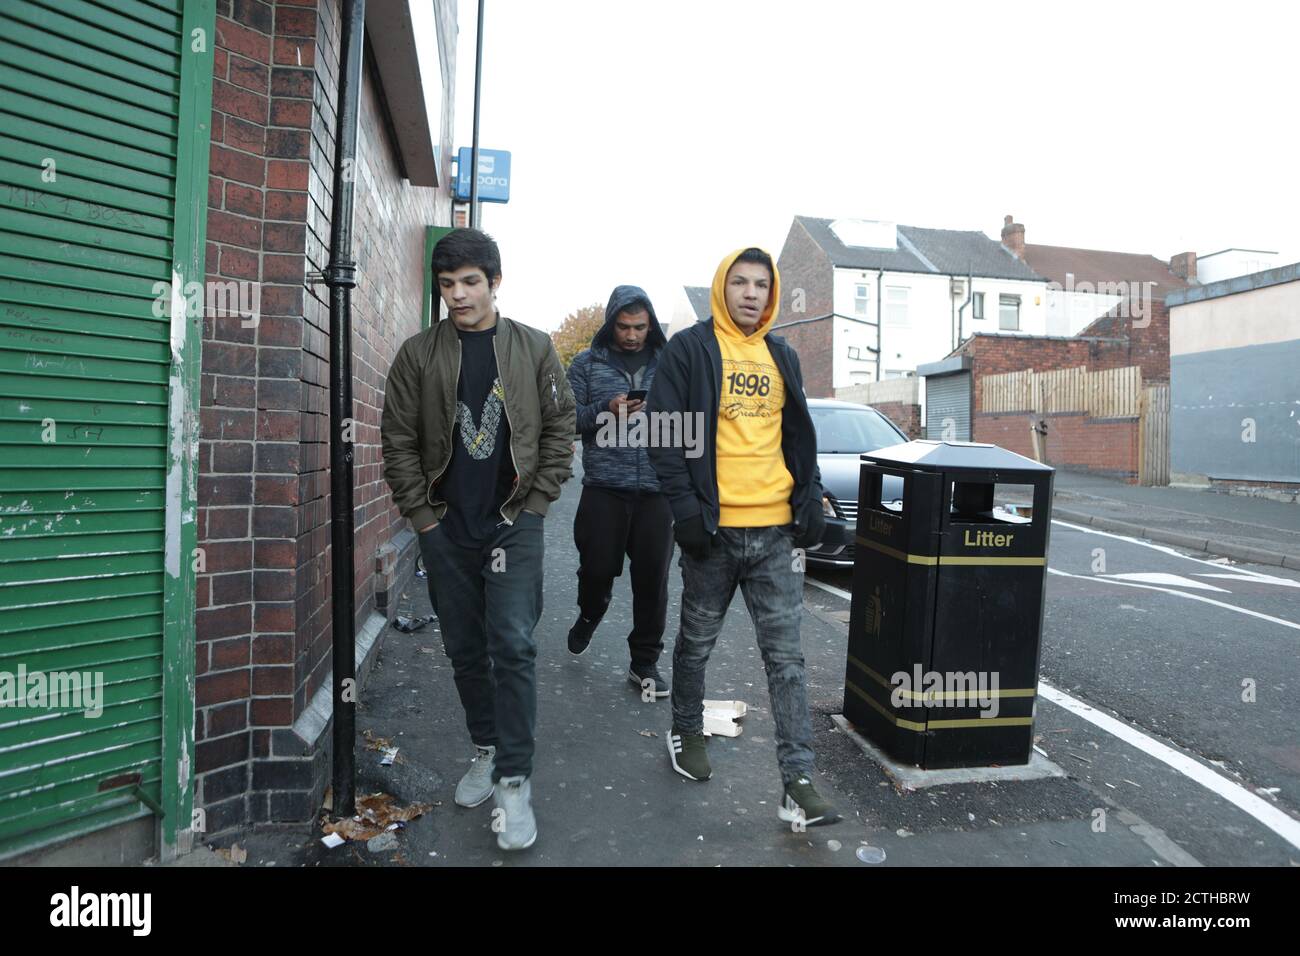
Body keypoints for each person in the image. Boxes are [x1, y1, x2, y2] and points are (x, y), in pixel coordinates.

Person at [380, 228, 576, 850]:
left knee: (512, 645)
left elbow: (559, 426)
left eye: (470, 282)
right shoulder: (417, 354)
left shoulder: (536, 348)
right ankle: (487, 750)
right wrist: (424, 523)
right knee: (465, 649)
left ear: (495, 282)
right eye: (447, 285)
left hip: (514, 524)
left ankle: (515, 783)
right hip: (446, 529)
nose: (458, 296)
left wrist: (537, 507)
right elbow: (399, 442)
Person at [646, 246, 841, 826]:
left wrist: (807, 498)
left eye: (761, 283)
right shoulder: (691, 349)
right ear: (722, 288)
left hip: (774, 536)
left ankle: (797, 779)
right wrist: (686, 512)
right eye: (741, 283)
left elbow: (798, 438)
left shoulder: (782, 354)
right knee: (696, 643)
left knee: (787, 659)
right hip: (713, 533)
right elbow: (663, 434)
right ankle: (684, 731)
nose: (752, 293)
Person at [565, 286, 673, 698]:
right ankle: (591, 612)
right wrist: (603, 411)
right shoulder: (587, 364)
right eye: (624, 327)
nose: (632, 335)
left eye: (640, 327)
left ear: (652, 325)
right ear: (612, 324)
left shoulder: (669, 364)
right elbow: (567, 418)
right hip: (604, 488)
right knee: (595, 570)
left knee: (653, 581)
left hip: (657, 491)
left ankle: (644, 662)